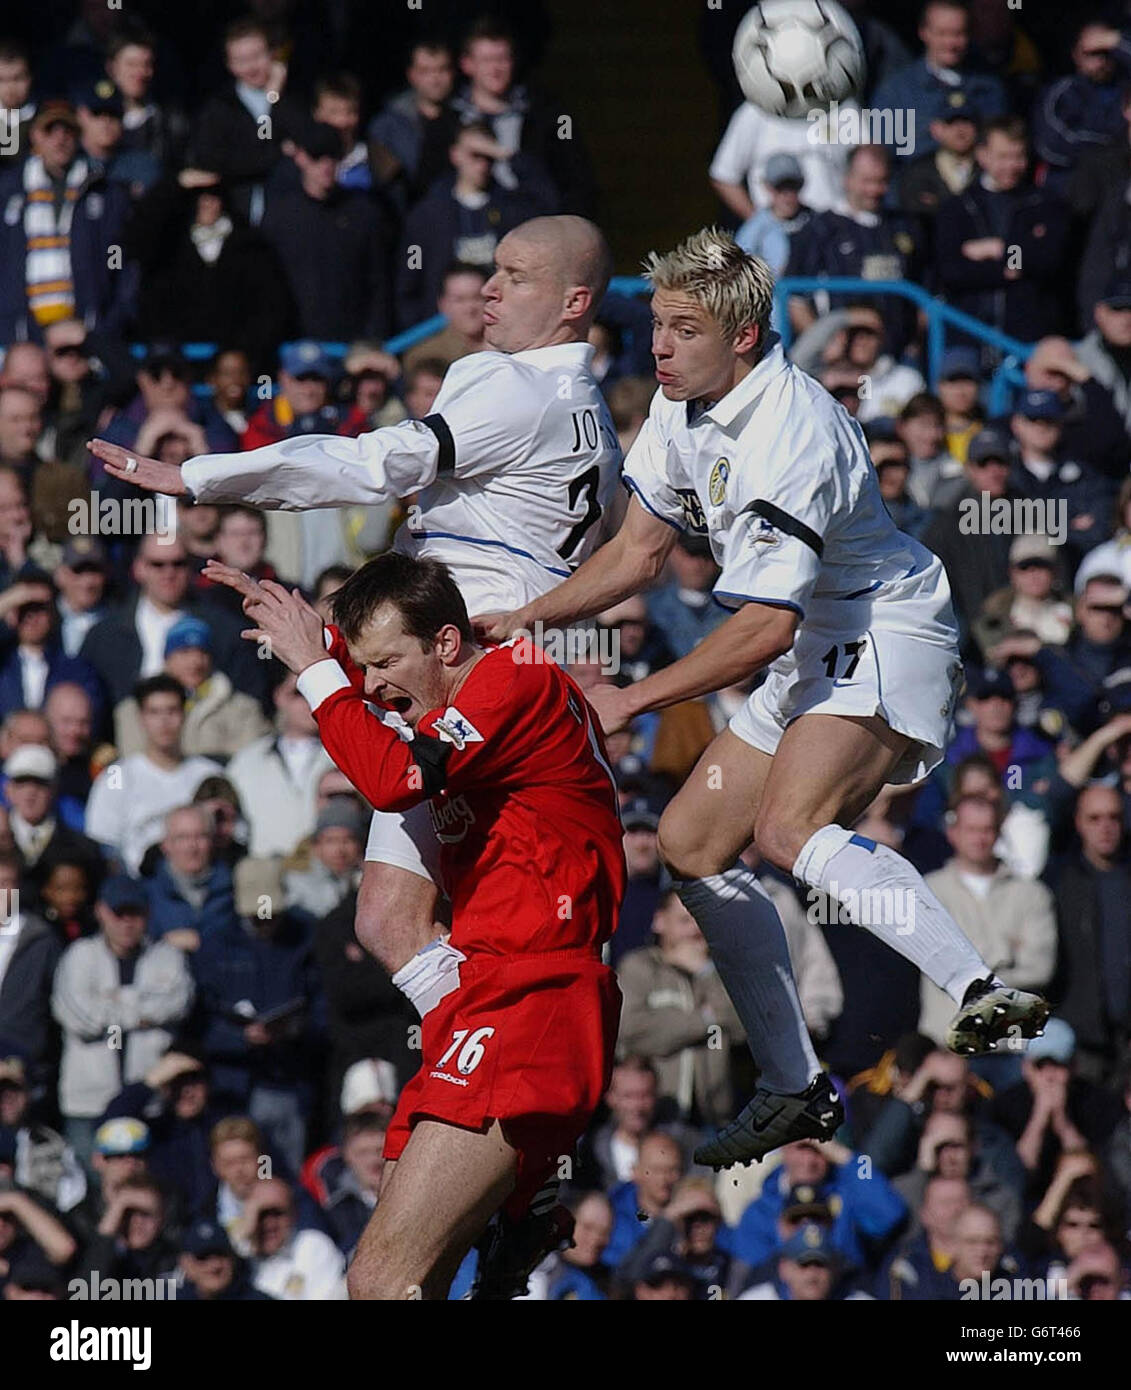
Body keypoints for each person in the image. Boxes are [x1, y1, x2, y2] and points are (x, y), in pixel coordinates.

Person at [479, 228, 1049, 1169]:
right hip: (813, 643)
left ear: (742, 336)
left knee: (785, 832)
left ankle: (977, 986)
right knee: (690, 846)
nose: (659, 347)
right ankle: (794, 1087)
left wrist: (635, 702)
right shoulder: (680, 402)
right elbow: (636, 553)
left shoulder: (794, 429)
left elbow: (762, 631)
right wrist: (528, 616)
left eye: (684, 330)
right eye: (656, 326)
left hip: (884, 632)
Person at [87, 213, 622, 1049]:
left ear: (573, 301)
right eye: (492, 270)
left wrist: (203, 476)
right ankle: (495, 1070)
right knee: (398, 918)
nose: (488, 288)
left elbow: (372, 466)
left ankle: (506, 1080)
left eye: (514, 277)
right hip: (506, 669)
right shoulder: (594, 414)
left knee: (414, 899)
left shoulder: (508, 382)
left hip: (456, 665)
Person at [205, 550, 625, 1301]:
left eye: (384, 664)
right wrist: (308, 632)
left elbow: (393, 780)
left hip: (536, 999)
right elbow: (387, 675)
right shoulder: (465, 691)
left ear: (447, 644)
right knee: (408, 1279)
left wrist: (314, 669)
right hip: (486, 1000)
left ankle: (528, 1196)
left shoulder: (514, 677)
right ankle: (525, 1204)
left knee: (380, 1282)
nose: (370, 686)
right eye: (359, 668)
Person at [51, 875, 194, 1160]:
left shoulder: (167, 957)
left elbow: (178, 1004)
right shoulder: (79, 956)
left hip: (150, 1102)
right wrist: (141, 1005)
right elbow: (79, 1018)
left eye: (135, 914)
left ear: (147, 913)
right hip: (89, 1102)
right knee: (91, 1190)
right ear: (101, 911)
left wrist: (113, 999)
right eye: (119, 913)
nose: (127, 923)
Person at [84, 675, 221, 875]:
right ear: (141, 718)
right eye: (154, 712)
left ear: (185, 714)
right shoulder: (116, 777)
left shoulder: (210, 775)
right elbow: (103, 843)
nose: (164, 721)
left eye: (172, 711)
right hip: (137, 889)